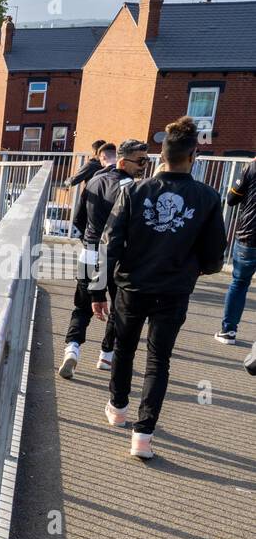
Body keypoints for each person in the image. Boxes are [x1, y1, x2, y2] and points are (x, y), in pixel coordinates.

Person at [93, 117, 226, 459]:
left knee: (124, 350)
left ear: (159, 155)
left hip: (132, 287)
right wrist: (193, 267)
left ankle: (118, 407)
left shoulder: (134, 191)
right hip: (174, 290)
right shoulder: (208, 198)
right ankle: (143, 435)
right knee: (158, 360)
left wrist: (96, 291)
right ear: (193, 155)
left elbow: (109, 244)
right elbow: (214, 260)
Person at [60, 140, 148, 378]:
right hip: (118, 257)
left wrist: (90, 241)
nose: (144, 166)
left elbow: (78, 219)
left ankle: (72, 349)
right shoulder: (135, 189)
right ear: (122, 160)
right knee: (118, 307)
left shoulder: (95, 180)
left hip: (90, 251)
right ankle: (106, 355)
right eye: (141, 161)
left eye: (146, 161)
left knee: (82, 306)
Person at [216, 156, 256, 344]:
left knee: (240, 283)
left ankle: (229, 331)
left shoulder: (253, 167)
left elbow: (232, 198)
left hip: (250, 235)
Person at [70, 142, 118, 240]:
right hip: (112, 207)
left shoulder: (92, 167)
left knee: (87, 224)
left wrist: (67, 181)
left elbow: (74, 180)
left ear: (100, 154)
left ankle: (90, 242)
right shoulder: (122, 172)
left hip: (94, 200)